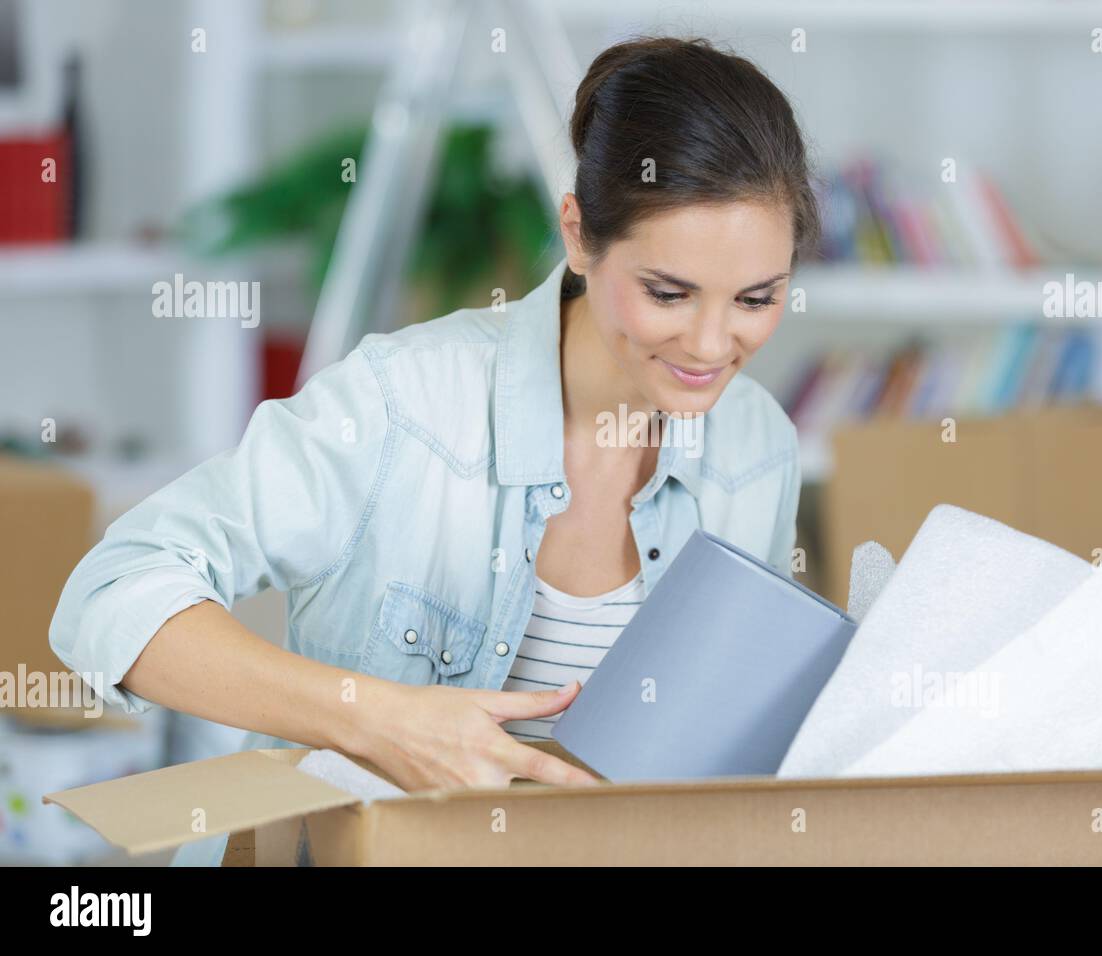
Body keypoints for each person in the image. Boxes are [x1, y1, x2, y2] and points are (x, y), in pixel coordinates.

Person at [49, 35, 821, 865]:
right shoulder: (402, 404)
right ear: (578, 236)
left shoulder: (756, 447)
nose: (712, 345)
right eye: (668, 293)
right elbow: (111, 591)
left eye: (756, 298)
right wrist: (374, 717)